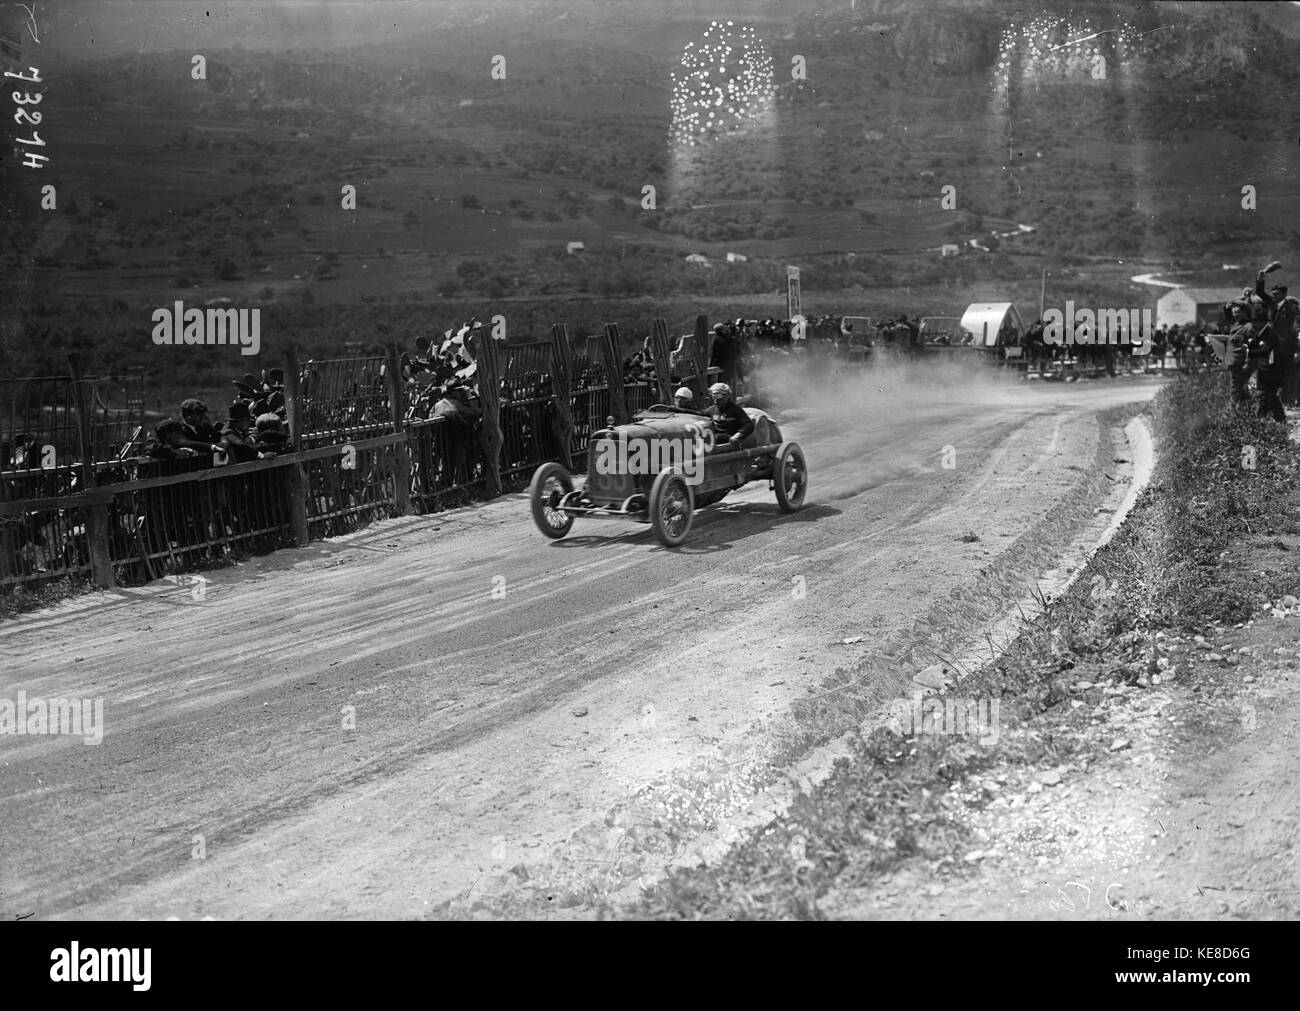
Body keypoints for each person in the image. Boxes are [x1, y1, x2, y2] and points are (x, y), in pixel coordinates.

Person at [706, 382, 753, 448]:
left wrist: (737, 435)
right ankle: (688, 456)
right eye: (714, 397)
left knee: (716, 437)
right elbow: (699, 416)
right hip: (713, 441)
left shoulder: (735, 410)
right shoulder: (711, 410)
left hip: (729, 441)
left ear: (727, 396)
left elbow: (749, 425)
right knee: (691, 439)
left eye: (719, 397)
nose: (716, 401)